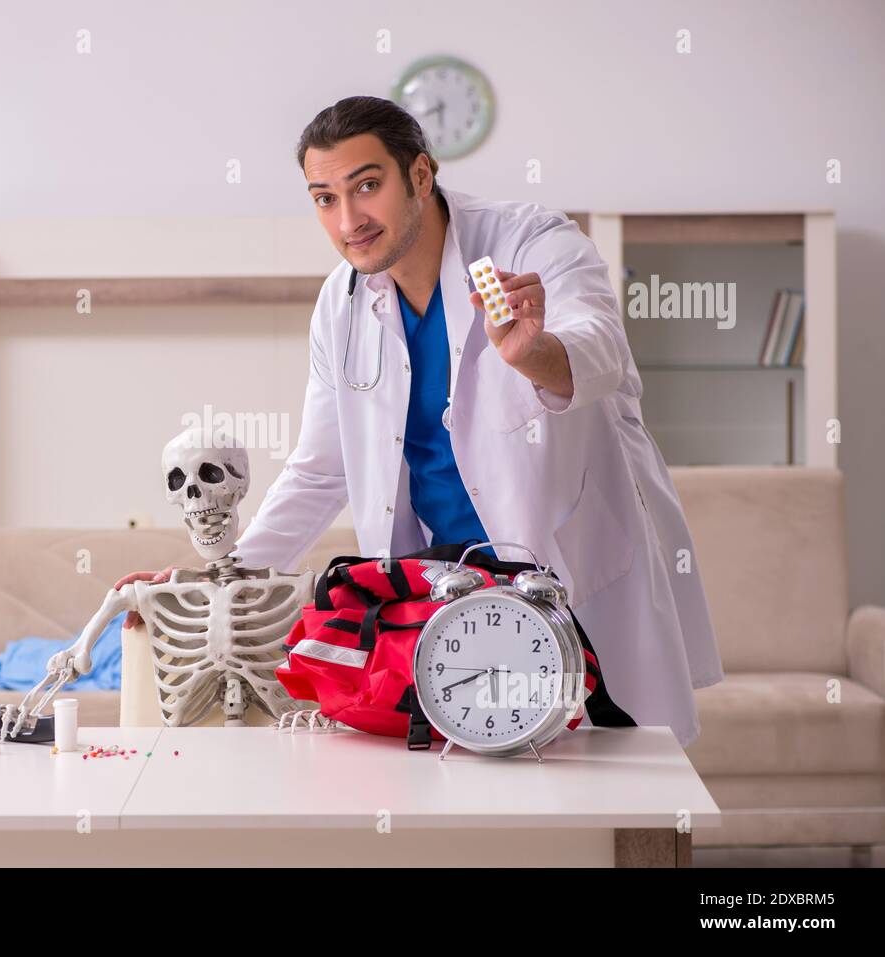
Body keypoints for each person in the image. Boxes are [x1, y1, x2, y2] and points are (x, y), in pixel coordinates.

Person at [121, 95, 723, 748]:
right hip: (449, 593)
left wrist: (535, 353)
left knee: (615, 794)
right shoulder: (340, 304)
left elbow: (600, 346)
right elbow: (321, 468)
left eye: (367, 186)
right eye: (324, 198)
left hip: (571, 574)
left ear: (421, 176)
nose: (348, 219)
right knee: (459, 799)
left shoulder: (530, 240)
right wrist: (224, 572)